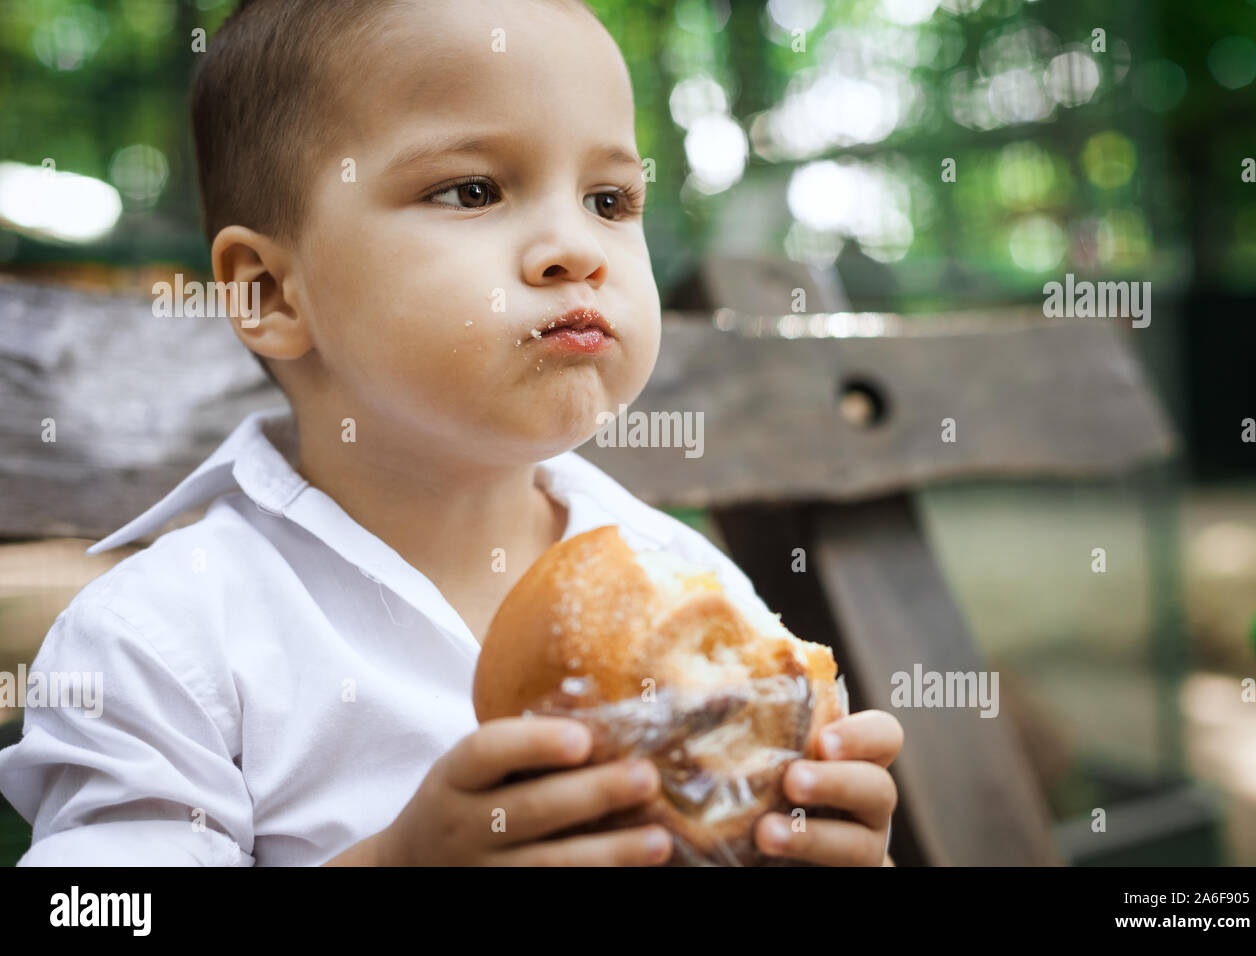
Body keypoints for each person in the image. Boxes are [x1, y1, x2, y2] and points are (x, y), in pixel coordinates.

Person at [0, 0, 900, 866]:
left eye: (611, 200)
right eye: (473, 190)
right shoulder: (162, 641)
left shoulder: (695, 598)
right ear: (267, 292)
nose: (575, 249)